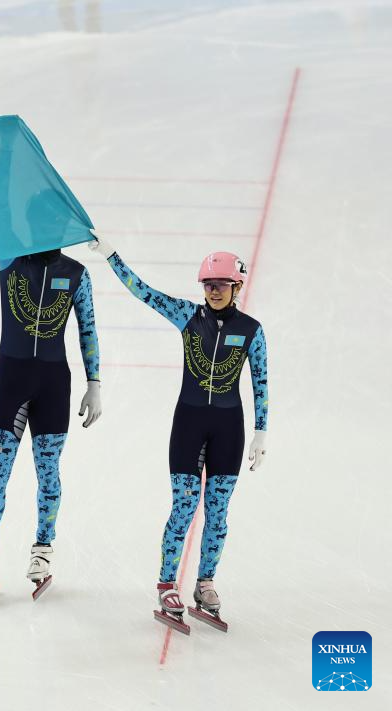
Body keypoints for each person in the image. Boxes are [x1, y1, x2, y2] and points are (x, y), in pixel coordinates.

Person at [87, 235, 268, 628]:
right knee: (184, 508)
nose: (214, 291)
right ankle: (168, 585)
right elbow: (143, 293)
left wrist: (261, 432)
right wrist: (112, 255)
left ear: (237, 287)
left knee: (217, 515)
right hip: (188, 425)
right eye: (208, 285)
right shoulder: (187, 316)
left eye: (221, 285)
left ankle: (204, 584)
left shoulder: (252, 330)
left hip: (228, 430)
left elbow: (261, 383)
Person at [0, 248, 102, 603]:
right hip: (10, 382)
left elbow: (88, 328)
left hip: (53, 385)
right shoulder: (8, 258)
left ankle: (43, 549)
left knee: (48, 472)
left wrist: (95, 383)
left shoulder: (76, 273)